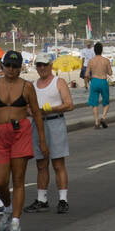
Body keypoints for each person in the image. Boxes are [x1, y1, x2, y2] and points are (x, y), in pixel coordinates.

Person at [0, 49, 47, 231]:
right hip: (0, 134)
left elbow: (37, 114)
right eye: (7, 65)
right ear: (2, 64)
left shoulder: (27, 87)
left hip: (20, 133)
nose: (11, 69)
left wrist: (42, 140)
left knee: (18, 179)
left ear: (20, 68)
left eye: (15, 66)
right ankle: (8, 207)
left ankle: (16, 221)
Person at [26, 54, 73, 213]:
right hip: (38, 125)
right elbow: (27, 107)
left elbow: (69, 104)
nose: (42, 68)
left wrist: (49, 109)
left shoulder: (58, 82)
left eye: (45, 65)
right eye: (39, 65)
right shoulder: (32, 85)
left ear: (50, 65)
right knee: (41, 163)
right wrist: (32, 112)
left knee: (58, 163)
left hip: (55, 122)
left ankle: (63, 199)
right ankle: (42, 199)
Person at [86, 43, 112, 129]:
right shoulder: (106, 60)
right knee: (106, 102)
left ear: (94, 50)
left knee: (94, 103)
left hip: (94, 81)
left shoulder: (91, 61)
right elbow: (110, 73)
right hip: (103, 81)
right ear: (102, 50)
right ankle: (103, 117)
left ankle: (96, 122)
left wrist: (90, 78)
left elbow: (86, 74)